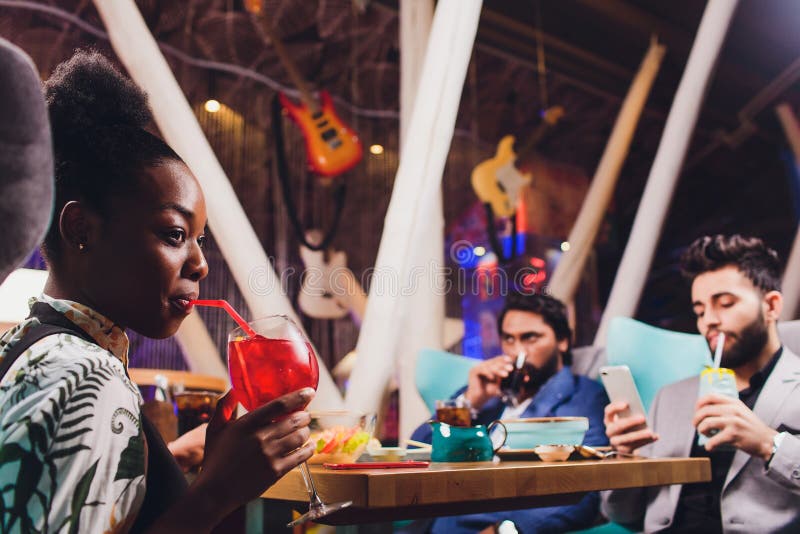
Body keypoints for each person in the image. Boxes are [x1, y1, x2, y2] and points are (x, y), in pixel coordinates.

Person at [0, 50, 315, 533]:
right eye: (174, 234)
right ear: (80, 226)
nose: (201, 263)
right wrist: (217, 493)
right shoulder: (87, 377)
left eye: (200, 240)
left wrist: (166, 456)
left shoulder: (31, 348)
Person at [602, 234, 800, 533]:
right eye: (700, 311)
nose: (709, 320)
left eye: (725, 303)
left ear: (771, 306)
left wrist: (769, 444)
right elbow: (622, 514)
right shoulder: (669, 398)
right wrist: (623, 461)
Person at [411, 292, 609, 533]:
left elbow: (588, 487)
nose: (517, 351)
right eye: (509, 339)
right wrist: (471, 402)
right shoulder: (484, 396)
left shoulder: (585, 397)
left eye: (530, 338)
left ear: (563, 341)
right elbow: (415, 455)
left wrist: (508, 529)